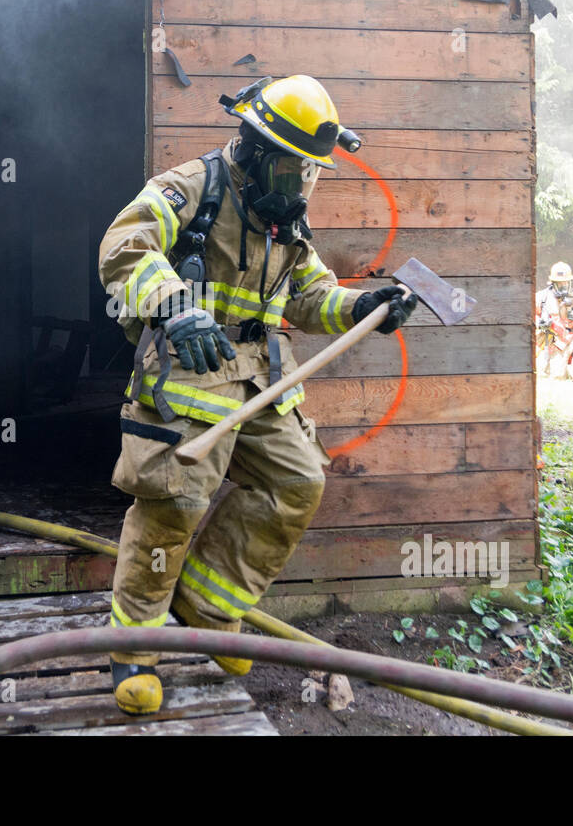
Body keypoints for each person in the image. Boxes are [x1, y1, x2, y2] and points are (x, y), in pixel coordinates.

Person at [97, 75, 418, 716]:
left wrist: (363, 305)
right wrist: (172, 306)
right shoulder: (192, 187)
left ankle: (208, 610)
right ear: (256, 147)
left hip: (262, 380)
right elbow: (123, 247)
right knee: (174, 505)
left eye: (310, 171)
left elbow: (309, 293)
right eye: (295, 167)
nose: (303, 182)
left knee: (297, 484)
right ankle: (135, 647)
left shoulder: (284, 217)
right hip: (188, 370)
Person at [534, 261, 573, 379]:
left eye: (565, 282)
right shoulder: (542, 297)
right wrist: (540, 323)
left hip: (572, 338)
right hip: (552, 342)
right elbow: (526, 314)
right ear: (552, 283)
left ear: (569, 282)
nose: (563, 285)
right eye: (559, 283)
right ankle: (558, 368)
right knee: (557, 376)